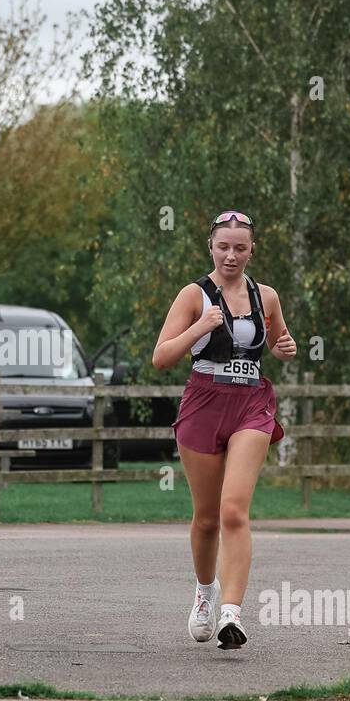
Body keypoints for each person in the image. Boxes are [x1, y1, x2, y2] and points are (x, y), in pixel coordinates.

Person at [152, 209, 295, 649]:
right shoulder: (194, 295)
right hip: (203, 403)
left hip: (251, 404)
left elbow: (277, 341)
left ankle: (231, 615)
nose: (231, 255)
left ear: (253, 250)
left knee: (234, 510)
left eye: (240, 247)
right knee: (207, 518)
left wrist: (284, 347)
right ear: (210, 247)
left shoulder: (265, 296)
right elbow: (161, 357)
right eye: (223, 247)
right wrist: (201, 325)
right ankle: (204, 592)